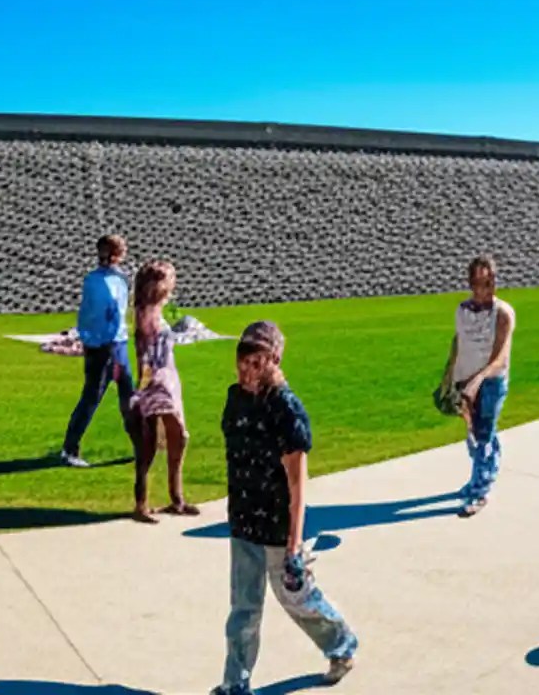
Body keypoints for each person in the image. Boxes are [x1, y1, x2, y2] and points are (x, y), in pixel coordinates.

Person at [213, 322, 357, 695]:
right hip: (244, 519)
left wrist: (294, 543)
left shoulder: (286, 408)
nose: (246, 370)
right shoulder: (235, 398)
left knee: (296, 598)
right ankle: (235, 684)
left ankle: (341, 644)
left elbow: (297, 481)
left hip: (278, 523)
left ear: (274, 360)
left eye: (256, 362)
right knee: (243, 609)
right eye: (242, 361)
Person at [58, 234, 139, 468]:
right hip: (108, 347)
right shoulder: (106, 281)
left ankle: (140, 445)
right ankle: (70, 449)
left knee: (128, 396)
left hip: (112, 344)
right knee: (93, 397)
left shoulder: (102, 278)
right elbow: (108, 313)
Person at [129, 260, 197, 522]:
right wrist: (146, 385)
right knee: (150, 444)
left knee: (176, 436)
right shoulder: (147, 316)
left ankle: (175, 497)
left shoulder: (153, 312)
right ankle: (142, 502)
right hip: (157, 384)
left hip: (166, 381)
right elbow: (146, 356)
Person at [450, 255, 516, 518]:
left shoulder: (503, 314)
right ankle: (484, 473)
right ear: (470, 283)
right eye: (478, 283)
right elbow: (459, 343)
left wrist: (477, 381)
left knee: (484, 435)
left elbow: (500, 358)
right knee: (473, 433)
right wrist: (451, 378)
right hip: (465, 382)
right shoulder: (462, 310)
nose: (483, 289)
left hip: (490, 383)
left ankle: (480, 491)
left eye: (488, 282)